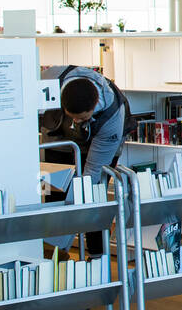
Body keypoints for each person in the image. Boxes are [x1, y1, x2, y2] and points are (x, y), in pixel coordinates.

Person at [40, 64, 133, 255]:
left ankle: (97, 258)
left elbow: (92, 174)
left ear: (94, 106)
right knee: (52, 193)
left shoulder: (112, 115)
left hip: (100, 143)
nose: (77, 122)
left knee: (94, 196)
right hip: (58, 139)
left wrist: (77, 209)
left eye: (82, 118)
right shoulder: (46, 81)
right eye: (73, 117)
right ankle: (54, 254)